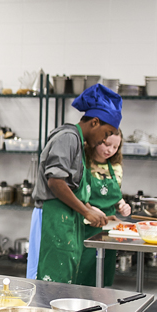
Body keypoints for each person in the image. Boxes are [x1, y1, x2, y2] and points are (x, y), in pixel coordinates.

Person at [28, 84, 121, 284]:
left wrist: (93, 210)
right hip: (53, 218)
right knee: (50, 282)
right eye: (106, 133)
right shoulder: (68, 137)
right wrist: (86, 212)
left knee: (64, 281)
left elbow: (72, 188)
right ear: (95, 122)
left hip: (67, 219)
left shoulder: (78, 142)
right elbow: (56, 182)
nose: (104, 140)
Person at [75, 129, 131, 287]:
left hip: (109, 228)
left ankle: (101, 299)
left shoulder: (116, 168)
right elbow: (77, 193)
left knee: (105, 268)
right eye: (106, 144)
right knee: (85, 269)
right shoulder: (84, 164)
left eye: (115, 147)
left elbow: (116, 195)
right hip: (88, 226)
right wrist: (90, 210)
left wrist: (122, 205)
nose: (110, 150)